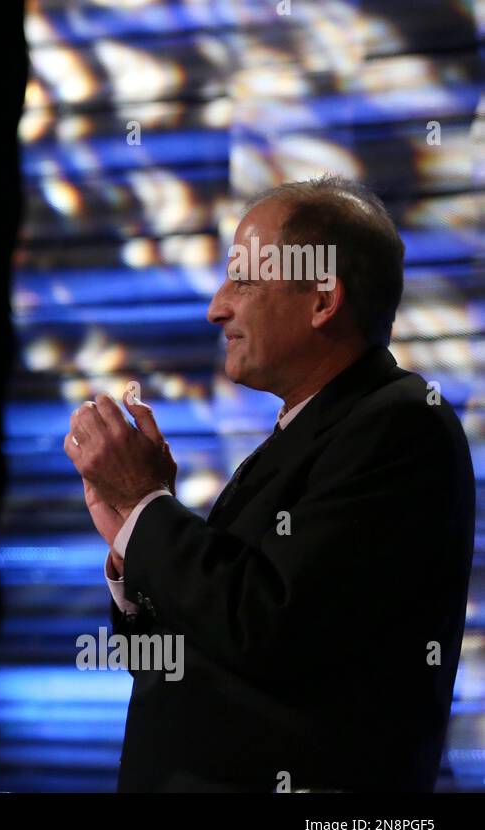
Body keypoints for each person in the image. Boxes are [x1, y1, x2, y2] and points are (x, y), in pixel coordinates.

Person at [66, 175, 475, 792]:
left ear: (322, 300)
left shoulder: (400, 423)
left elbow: (273, 630)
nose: (216, 307)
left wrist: (149, 509)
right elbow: (181, 654)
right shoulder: (303, 435)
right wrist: (133, 537)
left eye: (244, 279)